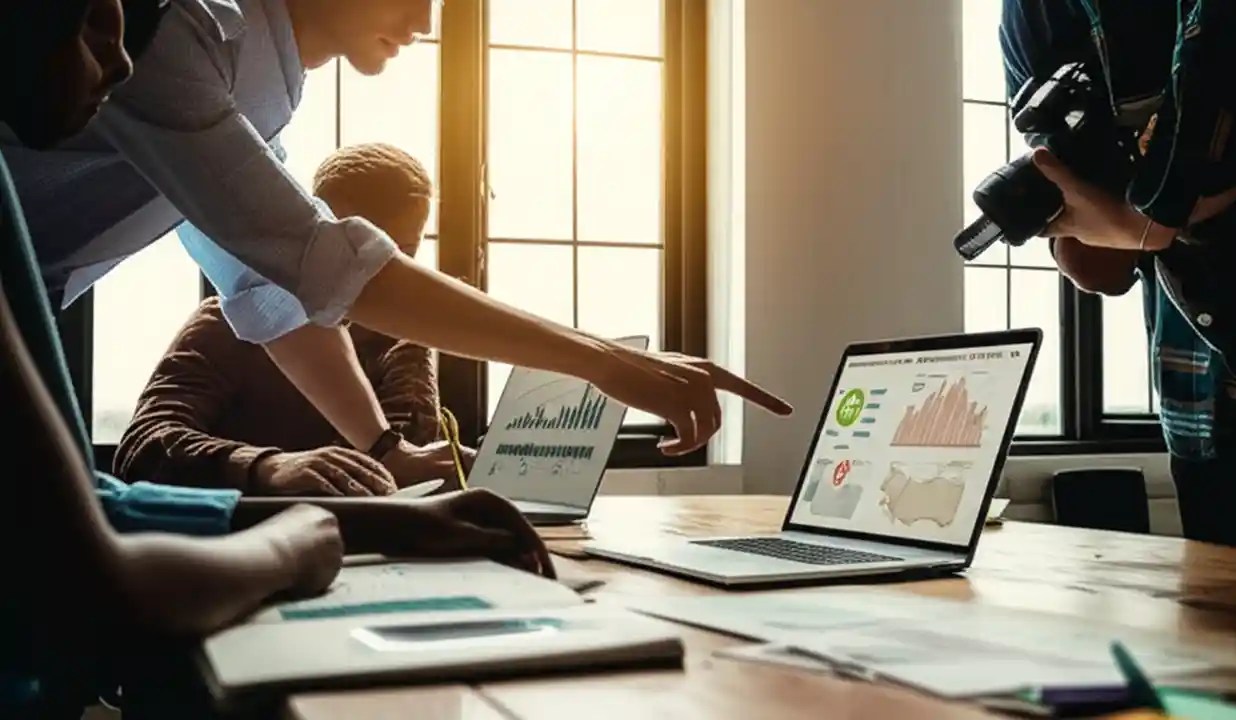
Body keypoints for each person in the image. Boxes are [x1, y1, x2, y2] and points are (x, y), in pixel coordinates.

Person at [0, 3, 551, 715]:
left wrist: (389, 514)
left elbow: (91, 515)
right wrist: (301, 525)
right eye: (86, 12)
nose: (129, 56)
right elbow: (98, 558)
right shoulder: (222, 326)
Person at [2, 0, 792, 486]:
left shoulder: (253, 98)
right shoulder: (179, 34)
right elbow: (331, 267)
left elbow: (277, 298)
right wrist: (608, 363)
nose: (426, 21)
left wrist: (382, 446)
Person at [1000, 0, 1236, 551]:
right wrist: (1084, 205)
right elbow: (1096, 266)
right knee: (1221, 625)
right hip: (1203, 399)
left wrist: (1142, 218)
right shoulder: (1030, 17)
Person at [115, 142, 474, 496]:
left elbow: (404, 469)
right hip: (231, 537)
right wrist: (267, 468)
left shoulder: (398, 340)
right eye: (359, 252)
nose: (379, 276)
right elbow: (144, 447)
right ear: (311, 230)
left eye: (403, 256)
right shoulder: (224, 325)